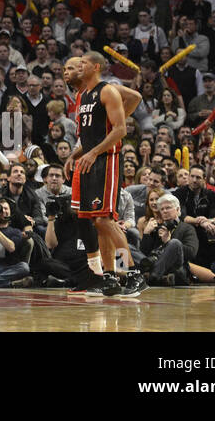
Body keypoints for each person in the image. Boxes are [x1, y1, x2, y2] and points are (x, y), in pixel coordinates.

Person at [65, 52, 146, 296]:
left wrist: (93, 153)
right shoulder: (82, 95)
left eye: (83, 64)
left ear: (96, 67)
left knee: (105, 221)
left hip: (107, 161)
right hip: (91, 160)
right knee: (98, 223)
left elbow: (120, 130)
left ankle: (132, 273)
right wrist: (75, 155)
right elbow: (91, 136)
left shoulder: (108, 90)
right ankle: (110, 277)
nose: (79, 67)